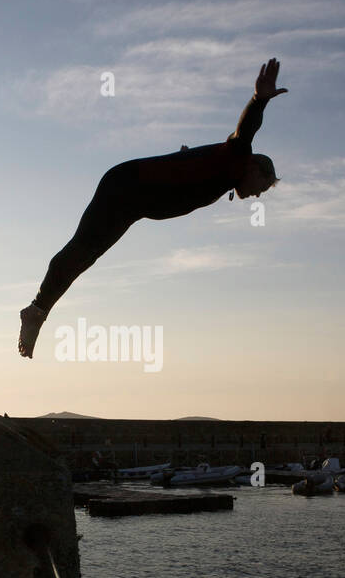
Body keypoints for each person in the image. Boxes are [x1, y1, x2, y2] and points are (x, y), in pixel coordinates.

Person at [17, 58, 287, 357]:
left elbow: (192, 168)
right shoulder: (237, 156)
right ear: (253, 168)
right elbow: (245, 130)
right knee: (83, 250)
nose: (258, 196)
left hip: (131, 200)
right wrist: (259, 99)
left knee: (85, 253)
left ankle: (37, 310)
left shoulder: (223, 171)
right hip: (126, 187)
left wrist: (182, 159)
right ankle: (36, 311)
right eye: (262, 187)